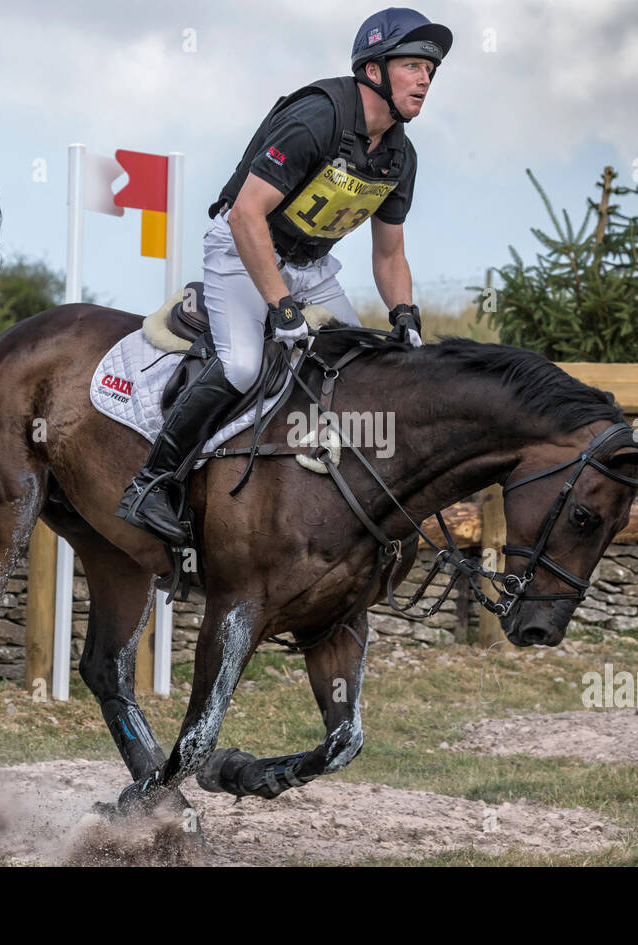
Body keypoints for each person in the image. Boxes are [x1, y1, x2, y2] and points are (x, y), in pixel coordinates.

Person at [117, 7, 452, 544]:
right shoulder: (318, 118)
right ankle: (151, 482)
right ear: (373, 70)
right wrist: (280, 304)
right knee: (245, 366)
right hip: (244, 251)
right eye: (412, 66)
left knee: (364, 371)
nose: (425, 80)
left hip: (313, 267)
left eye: (430, 72)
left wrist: (405, 315)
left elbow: (389, 255)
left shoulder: (399, 156)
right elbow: (246, 214)